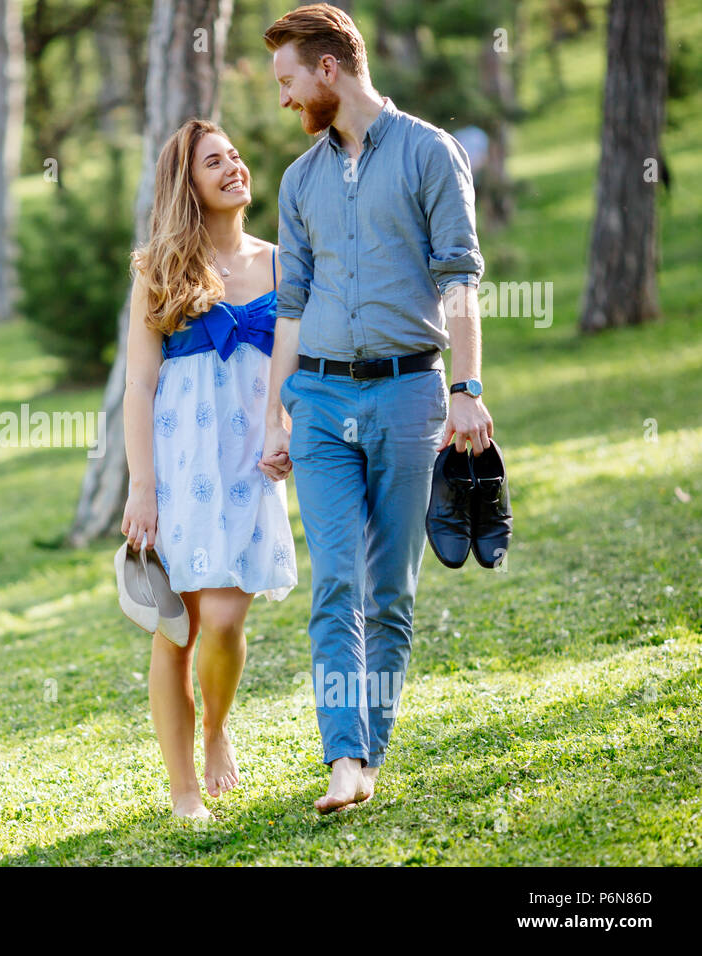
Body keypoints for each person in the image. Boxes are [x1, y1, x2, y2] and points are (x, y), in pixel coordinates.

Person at [259, 3, 494, 813]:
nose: (284, 99)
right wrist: (273, 413)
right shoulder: (299, 181)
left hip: (408, 392)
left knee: (387, 589)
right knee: (336, 583)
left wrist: (466, 388)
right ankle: (343, 758)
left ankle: (370, 751)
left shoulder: (432, 153)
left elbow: (459, 279)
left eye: (289, 80)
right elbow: (290, 306)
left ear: (329, 70)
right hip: (319, 397)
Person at [120, 118, 297, 820]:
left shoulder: (282, 263)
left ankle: (217, 728)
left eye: (235, 156)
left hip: (249, 462)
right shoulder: (157, 271)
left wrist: (286, 427)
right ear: (187, 184)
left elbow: (300, 365)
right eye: (212, 162)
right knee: (177, 629)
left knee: (223, 620)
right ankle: (183, 788)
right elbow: (139, 384)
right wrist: (143, 487)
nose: (233, 168)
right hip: (177, 462)